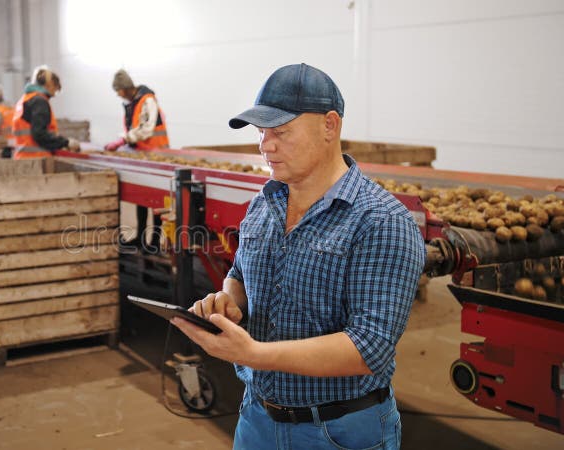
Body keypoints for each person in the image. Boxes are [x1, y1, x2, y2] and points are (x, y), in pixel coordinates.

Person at [171, 64, 426, 450]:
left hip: (338, 430)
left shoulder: (381, 221)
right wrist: (228, 300)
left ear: (330, 126)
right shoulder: (264, 202)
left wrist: (254, 354)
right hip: (256, 418)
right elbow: (239, 273)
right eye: (261, 133)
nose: (265, 146)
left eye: (281, 132)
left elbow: (369, 347)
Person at [105, 69, 170, 250]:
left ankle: (154, 241)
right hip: (142, 155)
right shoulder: (132, 103)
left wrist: (123, 140)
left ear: (125, 88)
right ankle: (141, 237)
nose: (118, 95)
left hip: (157, 155)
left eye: (118, 90)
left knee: (156, 200)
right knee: (142, 198)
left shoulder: (147, 100)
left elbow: (147, 129)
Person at [11, 65, 80, 159]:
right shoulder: (39, 101)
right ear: (50, 85)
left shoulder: (25, 99)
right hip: (37, 159)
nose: (54, 94)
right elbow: (39, 134)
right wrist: (66, 142)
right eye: (55, 89)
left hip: (22, 157)